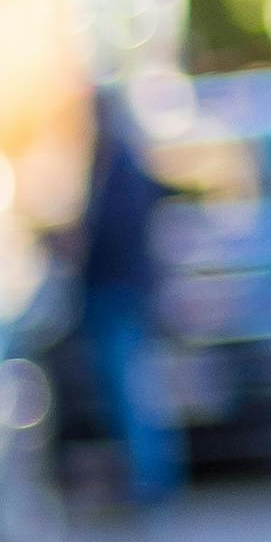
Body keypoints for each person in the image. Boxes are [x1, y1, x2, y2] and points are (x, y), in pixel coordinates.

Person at [69, 84, 180, 511]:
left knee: (132, 391)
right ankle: (143, 478)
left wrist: (78, 243)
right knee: (125, 391)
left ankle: (149, 482)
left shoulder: (122, 166)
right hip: (111, 293)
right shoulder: (104, 164)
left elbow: (119, 233)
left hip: (120, 293)